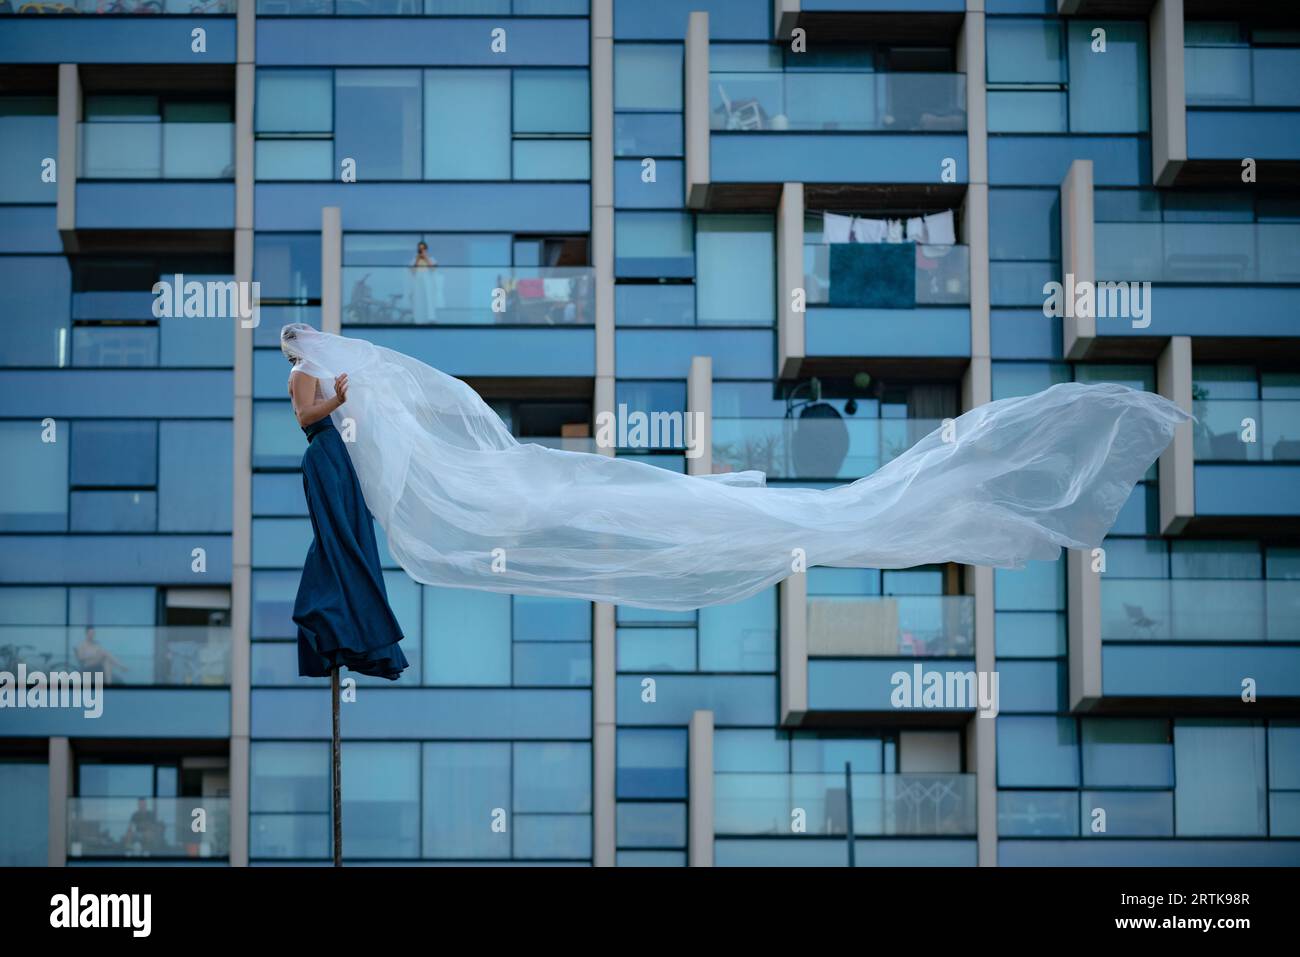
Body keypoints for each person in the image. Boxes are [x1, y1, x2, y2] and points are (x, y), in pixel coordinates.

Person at [277, 323, 1188, 613]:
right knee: (611, 500)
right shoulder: (308, 386)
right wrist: (345, 388)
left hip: (375, 477)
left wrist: (354, 386)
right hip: (340, 477)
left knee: (623, 495)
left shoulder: (332, 381)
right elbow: (320, 417)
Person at [283, 325, 407, 680]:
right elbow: (304, 416)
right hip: (324, 453)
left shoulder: (318, 370)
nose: (316, 337)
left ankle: (354, 622)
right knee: (338, 537)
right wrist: (338, 400)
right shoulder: (301, 370)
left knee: (351, 535)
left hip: (338, 455)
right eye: (307, 334)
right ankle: (330, 614)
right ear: (297, 344)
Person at [408, 241, 438, 325]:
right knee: (418, 300)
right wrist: (417, 259)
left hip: (428, 282)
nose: (421, 250)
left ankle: (430, 318)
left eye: (423, 249)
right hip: (417, 282)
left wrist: (426, 257)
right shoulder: (414, 260)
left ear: (426, 249)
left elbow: (433, 269)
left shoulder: (431, 259)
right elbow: (412, 272)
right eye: (420, 249)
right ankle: (417, 319)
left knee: (429, 299)